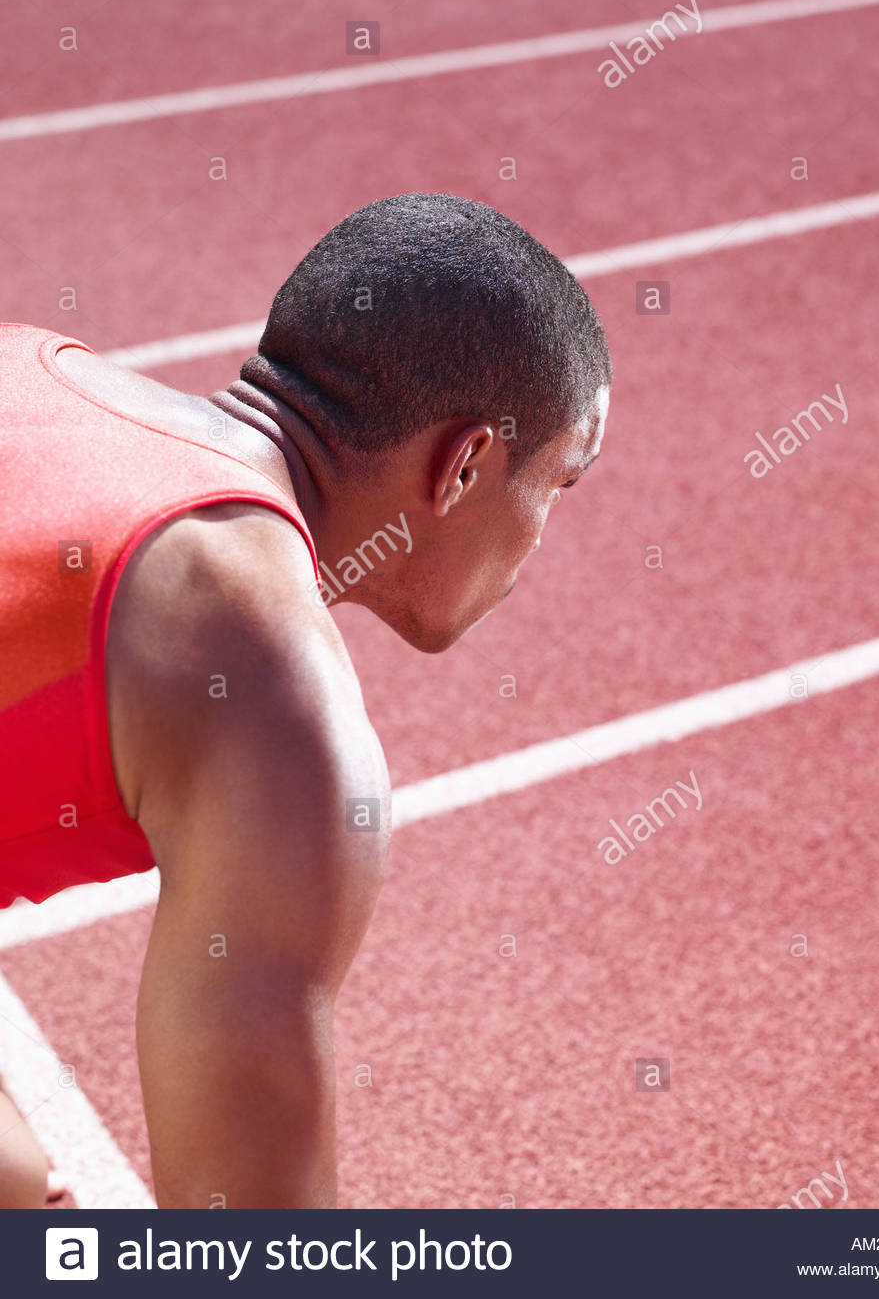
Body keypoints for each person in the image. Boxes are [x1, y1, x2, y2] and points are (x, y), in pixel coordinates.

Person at [0, 192, 611, 1208]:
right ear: (465, 465)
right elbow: (248, 1231)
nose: (545, 534)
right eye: (561, 484)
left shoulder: (29, 363)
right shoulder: (271, 691)